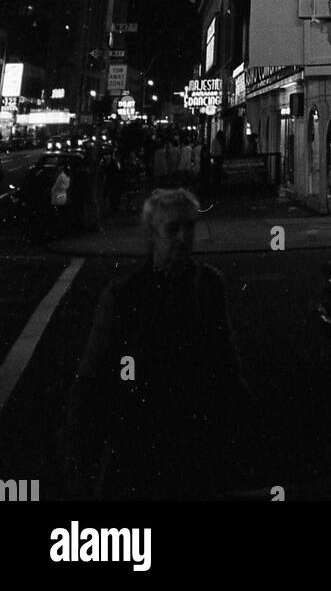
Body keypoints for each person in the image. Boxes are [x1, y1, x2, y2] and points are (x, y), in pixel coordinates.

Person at [63, 188, 251, 501]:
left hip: (198, 441)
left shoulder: (209, 284)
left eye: (189, 227)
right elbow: (93, 380)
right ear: (153, 234)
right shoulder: (124, 295)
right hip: (142, 443)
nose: (182, 237)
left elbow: (225, 357)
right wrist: (81, 460)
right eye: (172, 229)